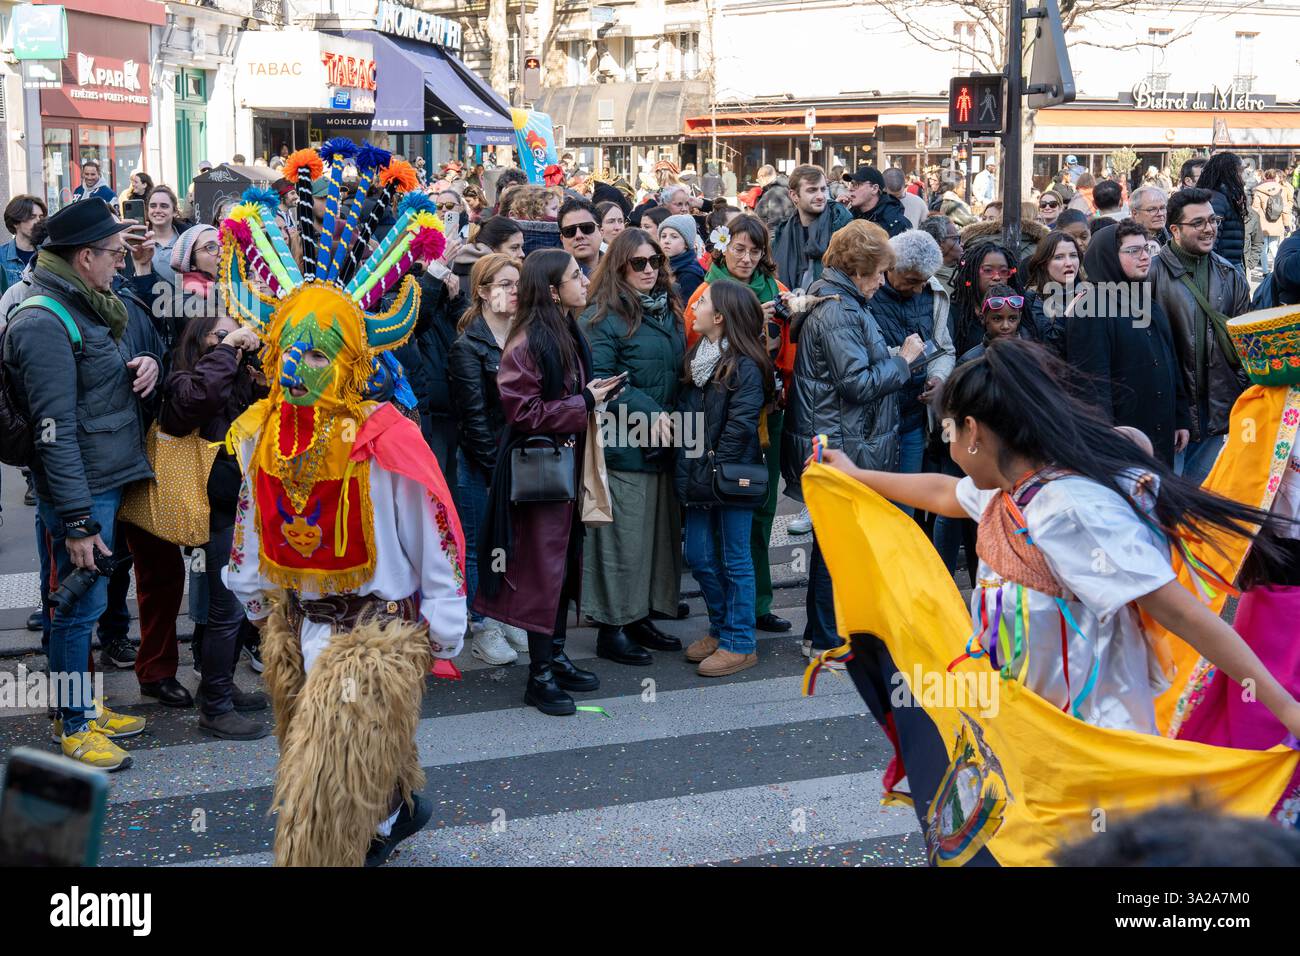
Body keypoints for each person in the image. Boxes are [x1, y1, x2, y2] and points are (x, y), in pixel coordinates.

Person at [817, 335, 1300, 737]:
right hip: (1034, 737)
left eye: (947, 434)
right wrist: (855, 476)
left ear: (972, 431)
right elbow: (945, 492)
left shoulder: (1068, 510)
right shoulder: (1010, 492)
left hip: (1096, 745)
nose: (950, 451)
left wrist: (1287, 709)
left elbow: (1180, 612)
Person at [220, 154, 466, 866]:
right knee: (340, 760)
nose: (299, 366)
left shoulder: (385, 440)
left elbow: (436, 535)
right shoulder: (258, 435)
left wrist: (443, 625)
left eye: (320, 353)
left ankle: (365, 837)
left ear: (354, 360)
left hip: (369, 634)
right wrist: (259, 602)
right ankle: (397, 810)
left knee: (319, 811)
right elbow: (250, 525)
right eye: (288, 349)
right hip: (299, 628)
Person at [3, 199, 161, 770]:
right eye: (115, 254)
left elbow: (94, 384)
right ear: (84, 255)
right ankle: (73, 724)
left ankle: (83, 710)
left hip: (102, 478)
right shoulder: (45, 320)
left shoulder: (90, 304)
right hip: (81, 490)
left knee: (85, 607)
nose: (122, 262)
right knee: (75, 611)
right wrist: (76, 521)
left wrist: (146, 365)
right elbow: (54, 432)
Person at [476, 250, 622, 715]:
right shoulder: (529, 340)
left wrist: (591, 397)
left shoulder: (564, 329)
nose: (586, 280)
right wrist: (585, 401)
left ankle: (554, 659)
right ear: (554, 290)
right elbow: (522, 412)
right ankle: (538, 677)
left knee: (563, 569)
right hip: (539, 476)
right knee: (543, 572)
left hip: (565, 469)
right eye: (577, 275)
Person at [782, 220, 925, 659]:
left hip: (840, 440)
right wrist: (904, 360)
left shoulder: (833, 297)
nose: (882, 282)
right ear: (859, 269)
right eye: (878, 273)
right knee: (837, 547)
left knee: (838, 544)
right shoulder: (841, 309)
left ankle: (828, 635)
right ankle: (826, 639)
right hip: (842, 444)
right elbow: (857, 384)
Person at [157, 306, 269, 740]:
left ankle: (215, 687)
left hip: (246, 505)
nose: (235, 338)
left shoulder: (238, 378)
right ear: (199, 341)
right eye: (220, 334)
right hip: (214, 511)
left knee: (243, 605)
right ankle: (216, 709)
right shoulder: (182, 381)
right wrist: (228, 348)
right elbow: (197, 401)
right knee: (225, 609)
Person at [683, 214, 797, 633]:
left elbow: (791, 354)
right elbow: (694, 358)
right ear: (722, 248)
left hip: (768, 415)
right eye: (739, 248)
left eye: (755, 250)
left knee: (761, 514)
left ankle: (754, 607)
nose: (747, 258)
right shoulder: (704, 294)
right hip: (717, 424)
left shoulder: (780, 291)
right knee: (717, 528)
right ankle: (729, 619)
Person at [580, 228, 685, 664]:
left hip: (667, 440)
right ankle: (613, 626)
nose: (648, 270)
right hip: (624, 442)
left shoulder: (668, 312)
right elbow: (602, 378)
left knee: (656, 539)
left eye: (655, 262)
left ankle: (640, 615)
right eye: (638, 262)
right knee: (621, 540)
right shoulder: (601, 315)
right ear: (619, 265)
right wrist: (649, 412)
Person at [676, 280, 773, 676]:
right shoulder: (696, 356)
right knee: (697, 553)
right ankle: (720, 626)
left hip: (731, 476)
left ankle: (740, 640)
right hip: (699, 473)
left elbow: (741, 425)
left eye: (701, 303)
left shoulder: (745, 364)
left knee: (735, 559)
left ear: (719, 318)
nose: (693, 307)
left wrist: (711, 467)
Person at [448, 253, 529, 666]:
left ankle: (507, 613)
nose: (514, 292)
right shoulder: (468, 347)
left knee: (513, 541)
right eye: (504, 284)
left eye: (518, 283)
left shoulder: (524, 337)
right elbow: (473, 419)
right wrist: (497, 466)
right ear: (481, 291)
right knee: (482, 544)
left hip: (520, 458)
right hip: (483, 463)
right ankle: (483, 623)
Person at [1066, 220, 1189, 467]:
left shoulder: (1147, 302)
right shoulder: (1091, 308)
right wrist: (1107, 439)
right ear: (1109, 257)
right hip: (1121, 445)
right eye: (1133, 251)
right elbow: (1092, 385)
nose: (1144, 257)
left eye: (1147, 249)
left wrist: (1180, 418)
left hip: (1160, 437)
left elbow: (1170, 363)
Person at [1149, 187, 1250, 484]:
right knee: (1170, 494)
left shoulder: (1231, 274)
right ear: (1175, 230)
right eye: (1198, 223)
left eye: (1213, 220)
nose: (1209, 229)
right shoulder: (1151, 275)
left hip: (1219, 410)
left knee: (1204, 493)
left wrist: (1239, 390)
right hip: (1170, 412)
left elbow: (1246, 341)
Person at [869, 230, 956, 512]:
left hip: (912, 420)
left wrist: (938, 376)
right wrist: (903, 357)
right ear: (889, 268)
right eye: (911, 282)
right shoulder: (867, 293)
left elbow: (944, 347)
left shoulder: (932, 293)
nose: (918, 289)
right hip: (872, 423)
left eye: (923, 281)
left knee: (906, 509)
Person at [772, 164, 854, 291]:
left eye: (823, 189)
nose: (821, 196)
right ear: (794, 195)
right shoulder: (782, 233)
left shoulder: (843, 227)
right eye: (812, 190)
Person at [948, 239, 1021, 357]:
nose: (997, 277)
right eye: (988, 270)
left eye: (1003, 271)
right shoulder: (955, 313)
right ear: (972, 273)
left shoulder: (1019, 305)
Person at [1020, 228, 1085, 354]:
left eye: (1073, 255)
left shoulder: (1089, 292)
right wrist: (1064, 317)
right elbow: (1048, 349)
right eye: (1059, 257)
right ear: (1044, 264)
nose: (1069, 263)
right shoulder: (1032, 300)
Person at [1197, 151, 1248, 274]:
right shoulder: (1217, 199)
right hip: (1223, 269)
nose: (1244, 177)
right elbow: (1210, 242)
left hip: (1227, 266)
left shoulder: (1226, 196)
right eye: (1241, 171)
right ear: (1231, 172)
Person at [955, 282, 1025, 364]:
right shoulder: (969, 362)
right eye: (997, 319)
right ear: (982, 318)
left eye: (1012, 318)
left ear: (1019, 318)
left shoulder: (1031, 357)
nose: (1005, 326)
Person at [139, 185, 187, 288]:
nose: (157, 210)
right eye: (153, 206)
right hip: (146, 300)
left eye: (164, 206)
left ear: (174, 211)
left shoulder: (188, 240)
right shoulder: (139, 241)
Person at [843, 165, 909, 238]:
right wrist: (838, 212)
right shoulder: (849, 215)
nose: (850, 189)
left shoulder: (896, 222)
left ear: (874, 189)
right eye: (851, 184)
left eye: (856, 184)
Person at [1, 195, 46, 290]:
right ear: (15, 222)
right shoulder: (1, 256)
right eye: (32, 217)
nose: (38, 221)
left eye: (41, 217)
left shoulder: (47, 255)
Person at [659, 213, 705, 303]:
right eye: (663, 236)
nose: (666, 241)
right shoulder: (662, 266)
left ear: (687, 244)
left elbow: (688, 310)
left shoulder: (690, 275)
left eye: (674, 236)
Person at [1252, 168, 1289, 274]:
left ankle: (1265, 272)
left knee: (1263, 248)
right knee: (1274, 246)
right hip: (1277, 223)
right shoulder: (1281, 189)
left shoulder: (1258, 190)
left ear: (1265, 177)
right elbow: (1285, 209)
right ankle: (1279, 268)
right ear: (1274, 177)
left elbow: (1255, 208)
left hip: (1262, 223)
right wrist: (1286, 224)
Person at [918, 214, 964, 293]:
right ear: (938, 244)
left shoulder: (966, 272)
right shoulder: (926, 282)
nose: (962, 244)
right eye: (956, 239)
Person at [558, 196, 602, 276]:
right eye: (569, 231)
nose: (579, 235)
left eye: (587, 228)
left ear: (601, 232)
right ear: (562, 239)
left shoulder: (622, 269)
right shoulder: (553, 278)